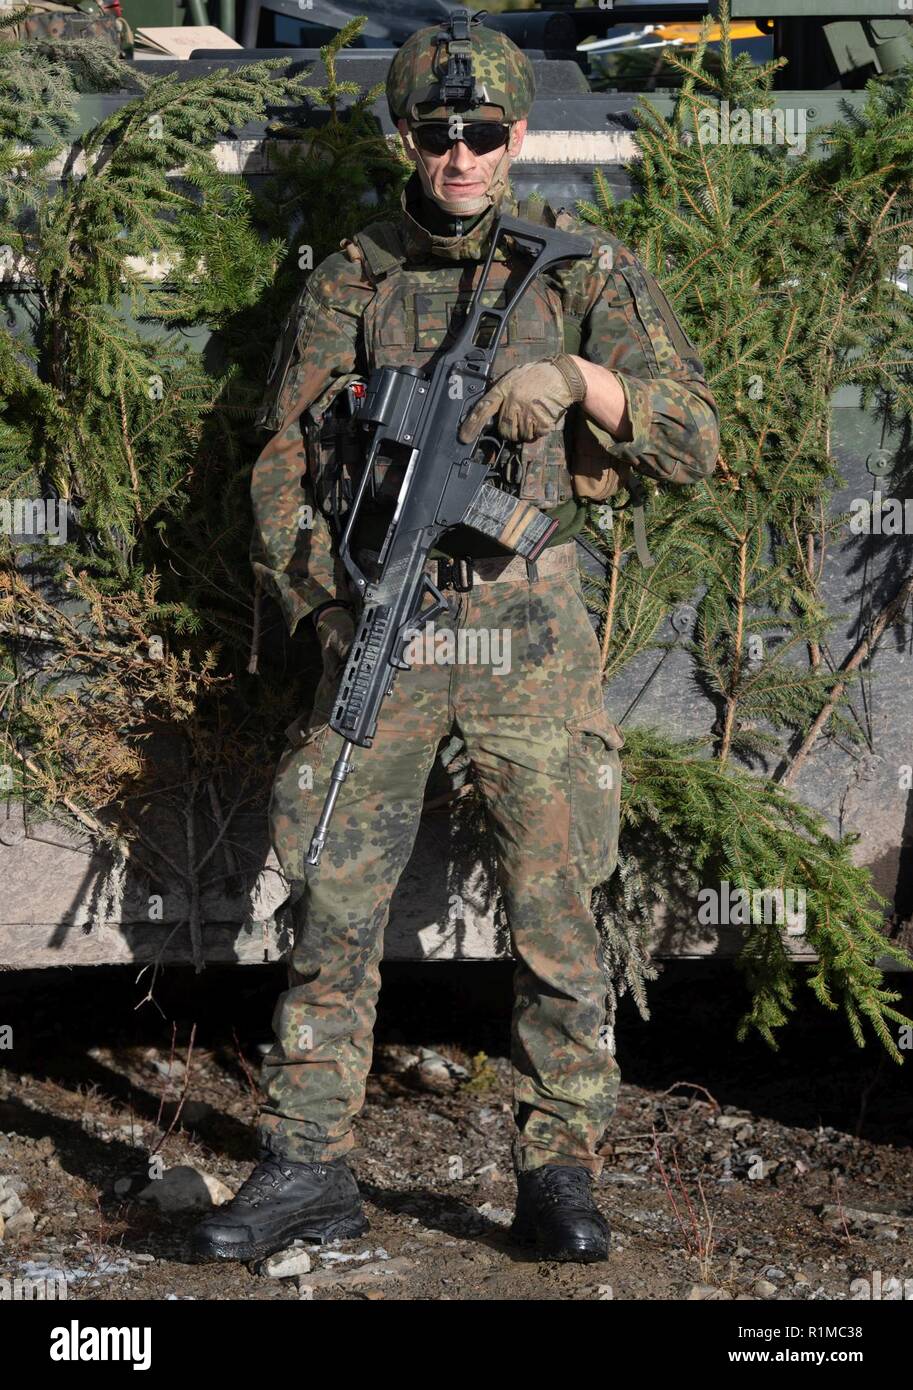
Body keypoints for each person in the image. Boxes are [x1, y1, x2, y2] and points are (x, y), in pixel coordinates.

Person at [190, 8, 719, 1267]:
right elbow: (274, 467)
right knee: (331, 904)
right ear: (406, 139)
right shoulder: (352, 277)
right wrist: (334, 597)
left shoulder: (581, 272)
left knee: (557, 914)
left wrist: (586, 385)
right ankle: (307, 1166)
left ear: (519, 133)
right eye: (439, 134)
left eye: (485, 132)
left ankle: (558, 1173)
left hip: (529, 643)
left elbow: (695, 439)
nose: (463, 156)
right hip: (384, 624)